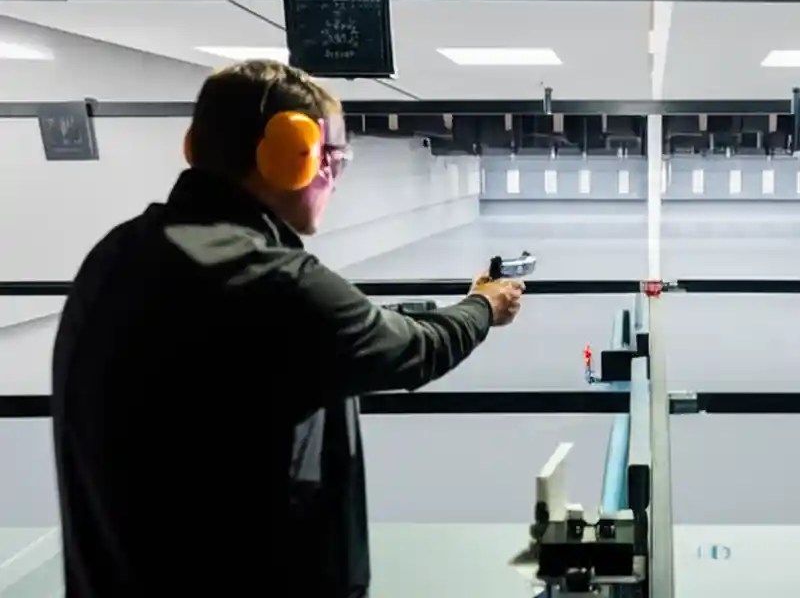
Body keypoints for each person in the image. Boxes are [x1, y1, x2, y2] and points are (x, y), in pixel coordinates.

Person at [50, 60, 526, 598]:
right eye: (332, 156)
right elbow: (416, 350)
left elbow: (310, 336)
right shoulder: (268, 280)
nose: (334, 176)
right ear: (288, 155)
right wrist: (483, 305)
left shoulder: (119, 251)